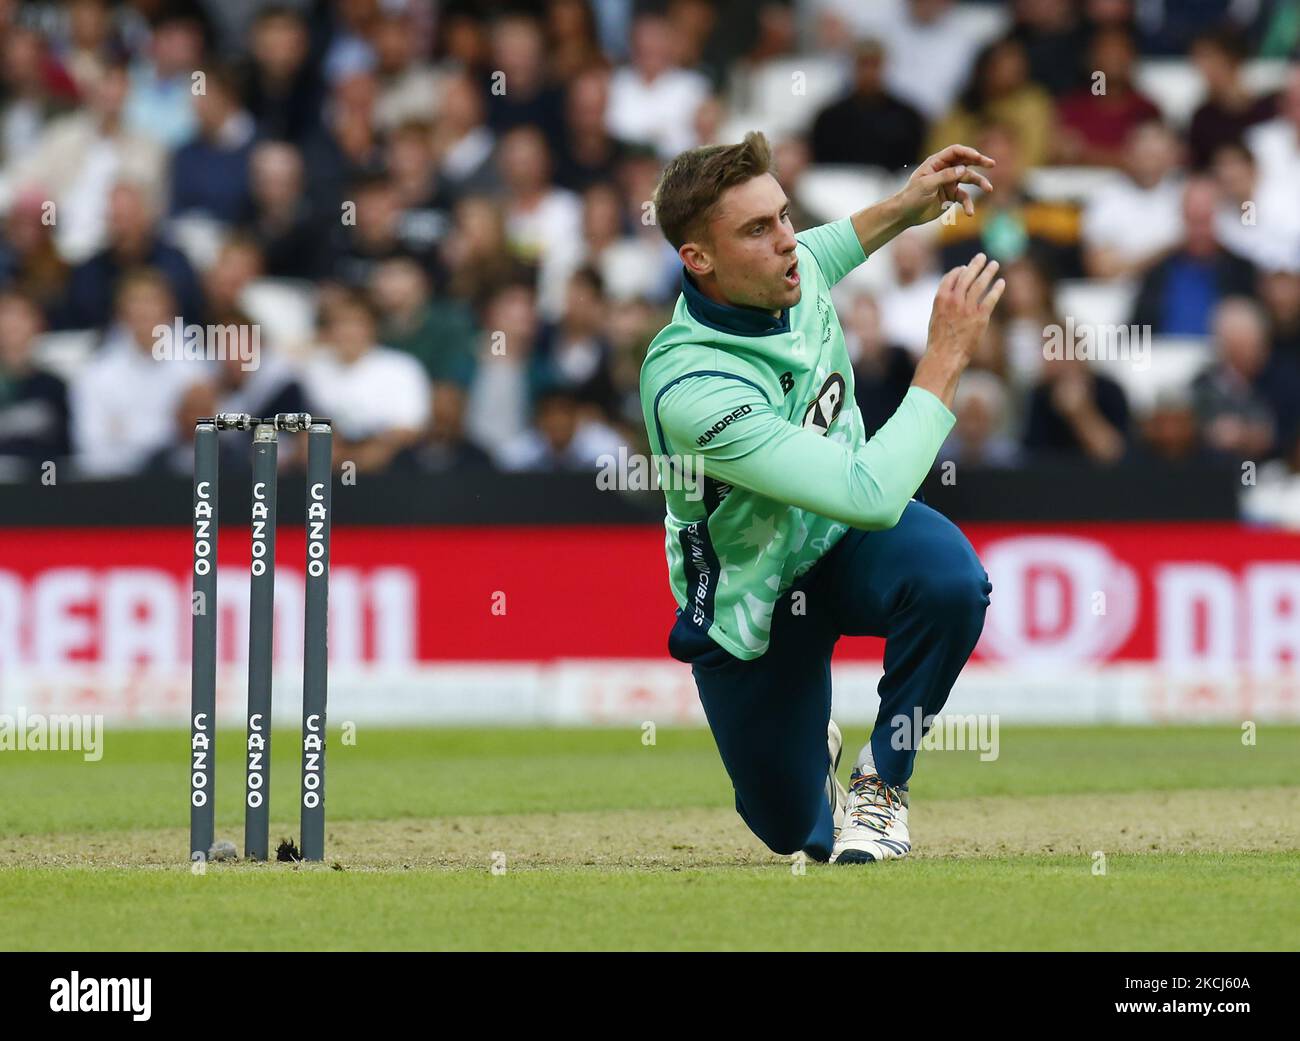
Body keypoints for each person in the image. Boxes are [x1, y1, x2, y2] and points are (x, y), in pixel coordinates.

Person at [639, 132, 1002, 865]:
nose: (786, 243)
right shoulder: (691, 388)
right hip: (753, 595)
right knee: (791, 828)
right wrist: (945, 357)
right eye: (757, 230)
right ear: (697, 261)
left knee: (952, 584)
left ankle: (882, 783)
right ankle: (810, 755)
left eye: (782, 216)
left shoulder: (785, 268)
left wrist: (905, 206)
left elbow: (831, 244)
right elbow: (867, 492)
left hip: (841, 544)